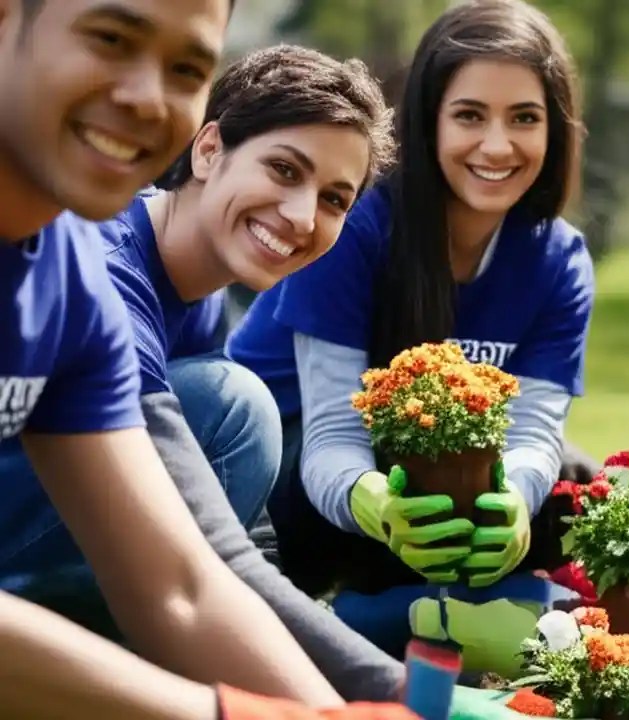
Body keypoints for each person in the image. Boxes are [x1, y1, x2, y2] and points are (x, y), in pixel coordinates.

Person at [0, 0, 424, 717]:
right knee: (235, 405)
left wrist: (363, 705)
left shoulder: (72, 271)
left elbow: (190, 580)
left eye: (187, 67)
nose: (144, 96)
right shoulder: (110, 268)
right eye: (110, 37)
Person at [226, 0, 594, 661]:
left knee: (577, 484)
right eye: (469, 115)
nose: (497, 145)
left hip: (420, 480)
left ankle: (424, 609)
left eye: (525, 118)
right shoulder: (357, 223)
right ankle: (371, 613)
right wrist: (379, 508)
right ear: (427, 122)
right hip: (292, 477)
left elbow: (536, 428)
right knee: (396, 474)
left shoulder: (558, 259)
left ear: (555, 131)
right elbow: (332, 437)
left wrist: (513, 504)